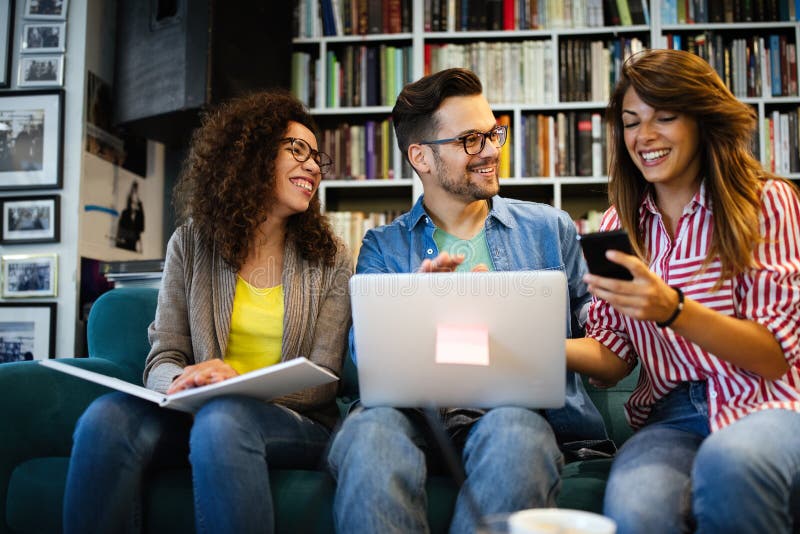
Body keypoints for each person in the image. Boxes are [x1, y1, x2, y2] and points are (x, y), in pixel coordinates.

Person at [327, 68, 610, 534]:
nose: (492, 151)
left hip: (516, 414)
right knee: (369, 436)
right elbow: (366, 358)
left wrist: (517, 338)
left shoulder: (549, 228)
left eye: (493, 133)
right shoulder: (383, 246)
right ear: (420, 156)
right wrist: (418, 305)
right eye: (470, 140)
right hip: (413, 420)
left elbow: (607, 344)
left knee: (518, 436)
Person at [62, 91, 353, 534]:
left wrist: (233, 386)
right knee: (105, 418)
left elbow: (323, 378)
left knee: (224, 419)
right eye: (297, 149)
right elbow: (163, 356)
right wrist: (184, 381)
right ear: (252, 155)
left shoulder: (331, 258)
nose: (313, 165)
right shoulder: (190, 244)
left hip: (295, 424)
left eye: (317, 157)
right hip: (196, 413)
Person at [566, 49, 800, 534]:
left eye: (664, 118)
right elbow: (613, 354)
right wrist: (522, 343)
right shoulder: (619, 225)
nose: (644, 137)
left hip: (770, 402)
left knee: (731, 461)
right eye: (631, 122)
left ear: (702, 120)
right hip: (670, 418)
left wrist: (672, 309)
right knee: (636, 508)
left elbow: (773, 355)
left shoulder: (764, 203)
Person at [115, 181, 145, 252]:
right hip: (124, 241)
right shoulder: (126, 213)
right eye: (132, 203)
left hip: (132, 243)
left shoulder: (138, 216)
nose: (133, 204)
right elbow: (129, 200)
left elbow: (140, 206)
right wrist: (133, 190)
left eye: (135, 203)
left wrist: (136, 193)